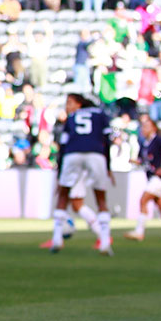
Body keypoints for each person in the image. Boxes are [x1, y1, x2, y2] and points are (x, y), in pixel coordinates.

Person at [50, 94, 115, 255]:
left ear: (80, 104)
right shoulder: (101, 114)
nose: (67, 107)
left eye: (70, 103)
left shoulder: (71, 117)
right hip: (96, 154)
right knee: (100, 198)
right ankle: (105, 241)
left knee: (64, 197)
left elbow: (63, 146)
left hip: (72, 154)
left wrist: (59, 176)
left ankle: (57, 238)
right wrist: (108, 166)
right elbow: (107, 140)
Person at [125, 115, 161, 243]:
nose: (143, 129)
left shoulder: (158, 140)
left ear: (153, 128)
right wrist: (135, 161)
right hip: (151, 177)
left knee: (143, 200)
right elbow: (143, 161)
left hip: (158, 178)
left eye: (146, 126)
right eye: (143, 126)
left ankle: (139, 232)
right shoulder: (144, 143)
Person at [38, 175, 102, 250]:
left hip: (75, 170)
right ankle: (57, 238)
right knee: (63, 201)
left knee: (76, 204)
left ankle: (102, 235)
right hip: (72, 171)